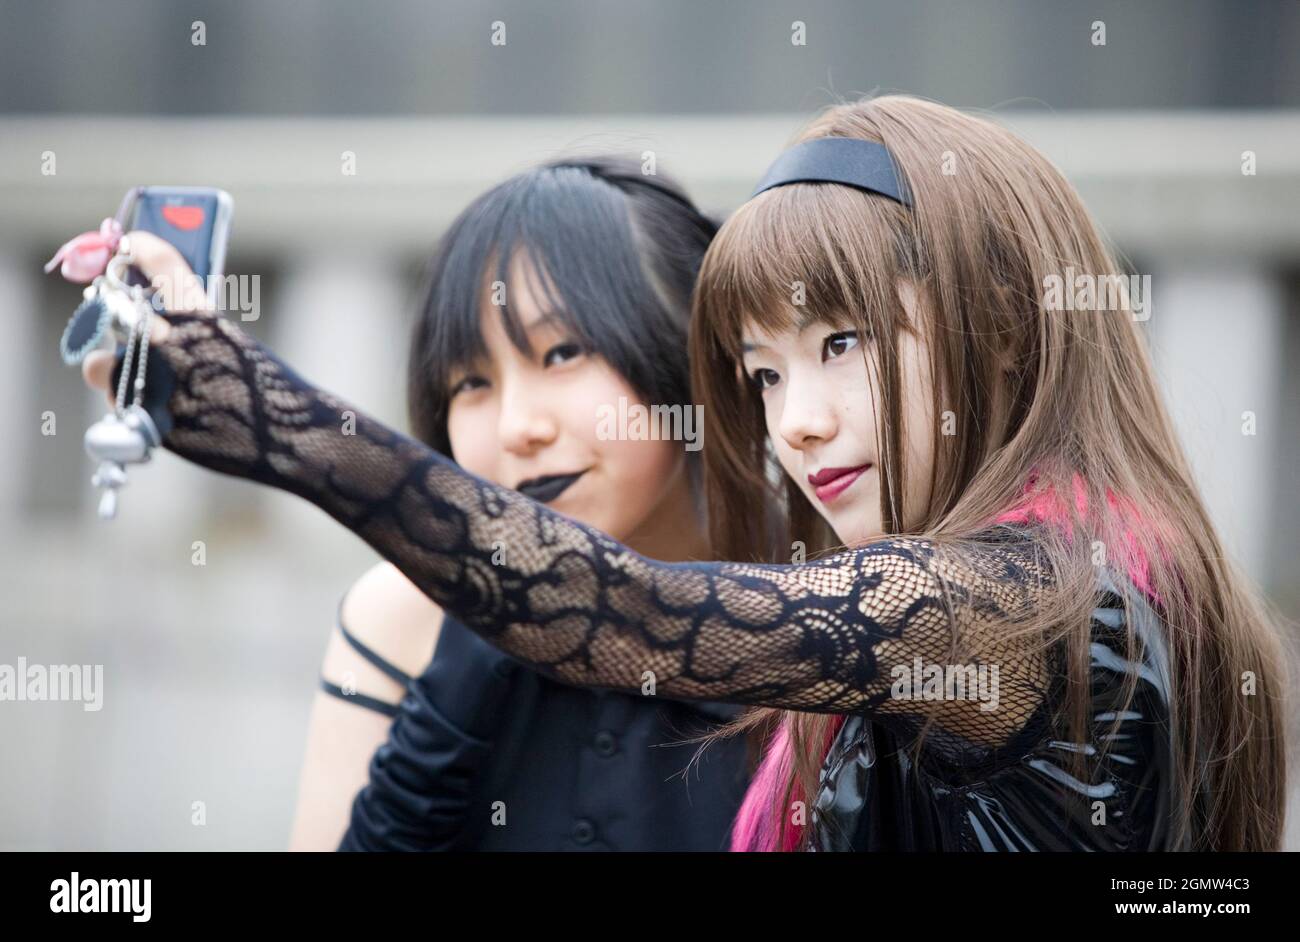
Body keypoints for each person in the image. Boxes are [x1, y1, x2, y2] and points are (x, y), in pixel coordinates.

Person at [87, 94, 1289, 851]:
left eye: (842, 344)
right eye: (763, 376)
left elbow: (637, 618)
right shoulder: (1039, 569)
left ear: (1003, 327)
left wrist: (259, 413)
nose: (799, 421)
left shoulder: (1029, 599)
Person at [289, 156, 750, 851]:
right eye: (471, 382)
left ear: (687, 343)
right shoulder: (404, 612)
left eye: (562, 353)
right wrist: (469, 648)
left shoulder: (824, 587)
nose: (515, 428)